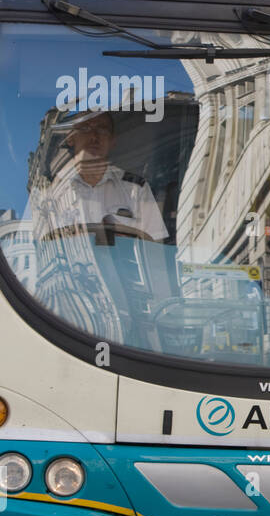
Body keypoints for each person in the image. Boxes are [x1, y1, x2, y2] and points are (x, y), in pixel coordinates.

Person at [23, 109, 169, 343]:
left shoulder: (135, 190)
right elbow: (35, 256)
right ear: (71, 138)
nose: (95, 136)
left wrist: (162, 316)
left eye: (103, 130)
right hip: (65, 312)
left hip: (129, 308)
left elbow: (156, 257)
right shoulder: (45, 196)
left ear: (113, 141)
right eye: (86, 128)